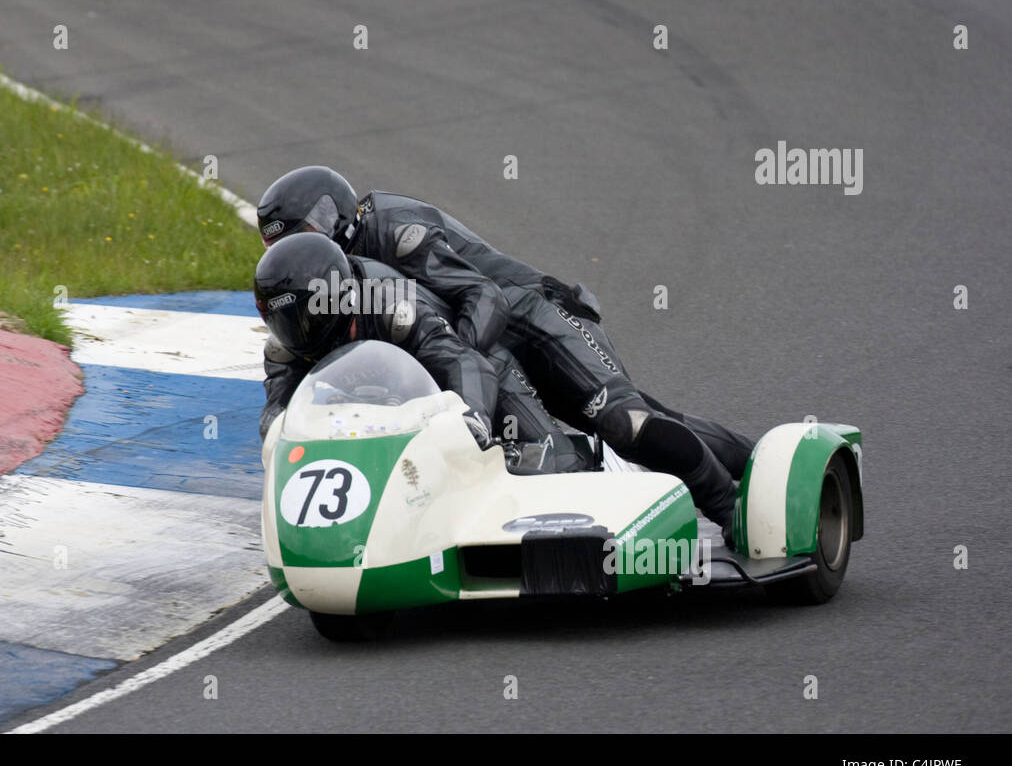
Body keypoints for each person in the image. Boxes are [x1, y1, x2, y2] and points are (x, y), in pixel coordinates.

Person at [256, 166, 753, 543]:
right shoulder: (317, 297)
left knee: (626, 422)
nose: (296, 254)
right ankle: (750, 459)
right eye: (278, 245)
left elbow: (484, 296)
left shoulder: (396, 236)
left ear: (331, 219)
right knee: (533, 451)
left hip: (524, 315)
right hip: (463, 340)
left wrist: (457, 388)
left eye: (300, 238)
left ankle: (732, 511)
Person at [254, 232, 588, 475]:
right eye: (283, 320)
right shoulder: (283, 350)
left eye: (307, 315)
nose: (299, 330)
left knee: (558, 462)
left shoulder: (392, 310)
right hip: (392, 417)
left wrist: (470, 422)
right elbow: (275, 417)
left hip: (480, 372)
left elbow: (465, 362)